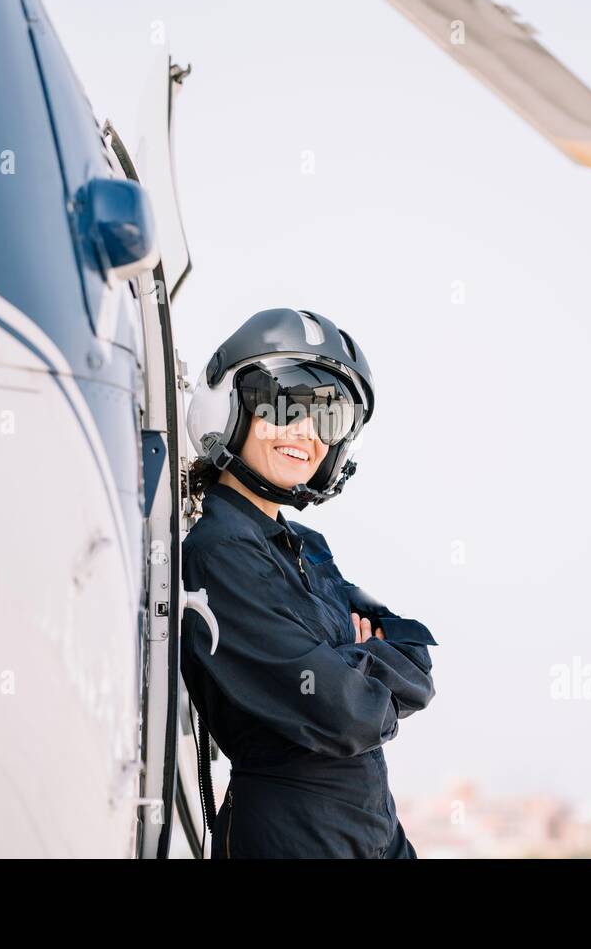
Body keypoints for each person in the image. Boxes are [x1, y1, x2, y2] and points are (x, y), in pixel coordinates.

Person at [180, 307, 438, 858]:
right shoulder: (217, 553)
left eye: (326, 419)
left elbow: (418, 658)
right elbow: (347, 713)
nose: (305, 433)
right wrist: (359, 651)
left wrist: (349, 661)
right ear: (235, 408)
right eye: (285, 406)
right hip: (291, 834)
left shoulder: (309, 546)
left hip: (376, 829)